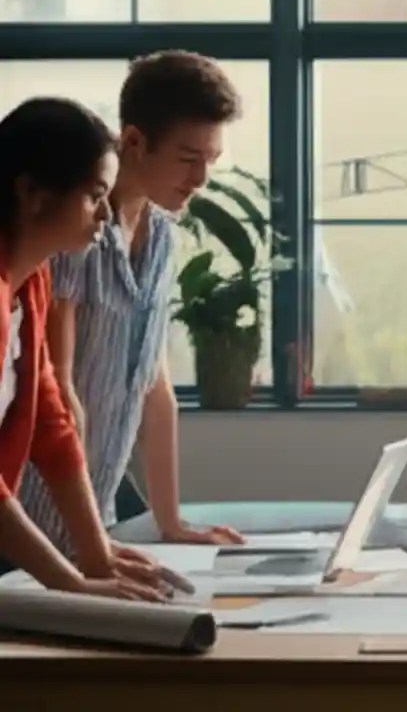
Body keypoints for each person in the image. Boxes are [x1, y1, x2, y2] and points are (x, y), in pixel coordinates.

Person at [20, 50, 246, 550]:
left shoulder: (163, 238)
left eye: (210, 161)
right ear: (135, 142)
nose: (200, 179)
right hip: (34, 516)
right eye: (188, 159)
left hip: (94, 516)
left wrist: (171, 524)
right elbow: (59, 390)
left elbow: (155, 391)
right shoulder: (73, 231)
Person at [0, 97, 167, 600]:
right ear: (32, 192)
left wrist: (98, 556)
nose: (103, 214)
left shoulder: (32, 281)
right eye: (95, 195)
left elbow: (52, 427)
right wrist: (70, 583)